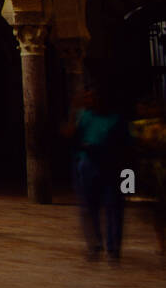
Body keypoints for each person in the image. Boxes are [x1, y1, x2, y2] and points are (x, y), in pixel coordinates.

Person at [69, 86, 130, 264]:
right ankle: (95, 246)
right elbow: (73, 137)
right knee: (89, 208)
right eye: (88, 98)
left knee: (113, 207)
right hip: (88, 165)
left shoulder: (116, 119)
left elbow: (126, 145)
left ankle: (113, 249)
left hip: (110, 166)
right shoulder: (85, 116)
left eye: (93, 97)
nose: (90, 101)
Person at [129, 98, 166, 263]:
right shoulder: (139, 125)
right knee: (158, 210)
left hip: (159, 169)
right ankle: (162, 244)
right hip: (155, 172)